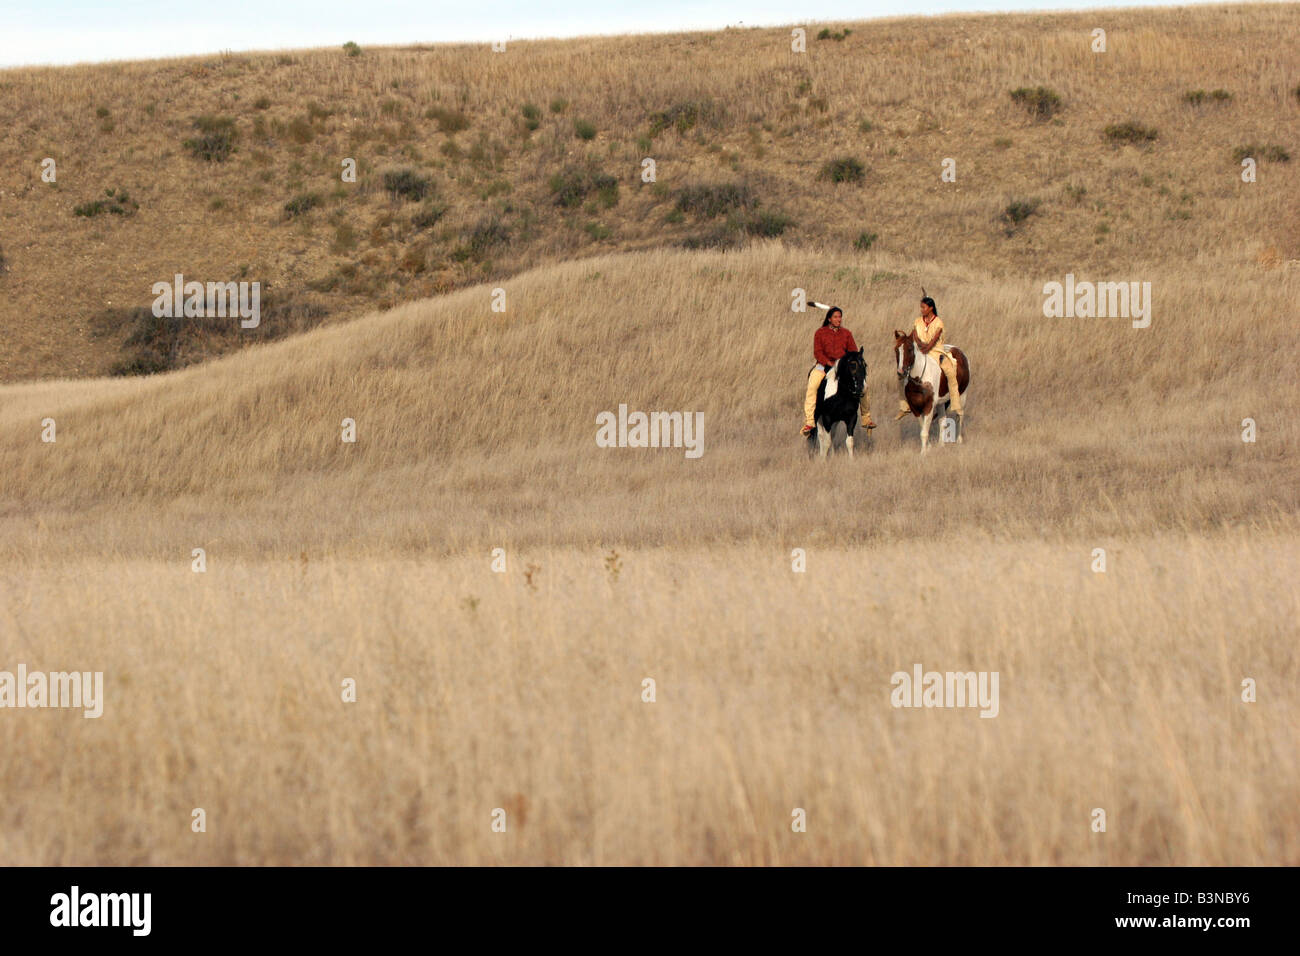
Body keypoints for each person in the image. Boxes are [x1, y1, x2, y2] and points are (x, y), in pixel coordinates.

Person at [802, 305, 875, 437]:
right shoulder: (820, 332)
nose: (839, 319)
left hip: (841, 367)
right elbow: (817, 352)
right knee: (812, 386)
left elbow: (853, 351)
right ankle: (810, 421)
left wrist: (851, 362)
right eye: (835, 317)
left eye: (840, 317)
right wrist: (827, 362)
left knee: (864, 387)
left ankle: (866, 418)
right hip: (823, 366)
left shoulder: (846, 333)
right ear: (829, 319)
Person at [895, 295, 961, 419]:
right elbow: (913, 335)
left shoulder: (938, 322)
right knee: (902, 374)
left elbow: (934, 340)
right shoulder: (918, 321)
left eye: (923, 307)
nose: (921, 309)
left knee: (950, 372)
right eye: (921, 307)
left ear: (930, 308)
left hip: (936, 352)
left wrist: (925, 347)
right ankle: (904, 406)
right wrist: (914, 344)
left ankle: (954, 401)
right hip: (920, 352)